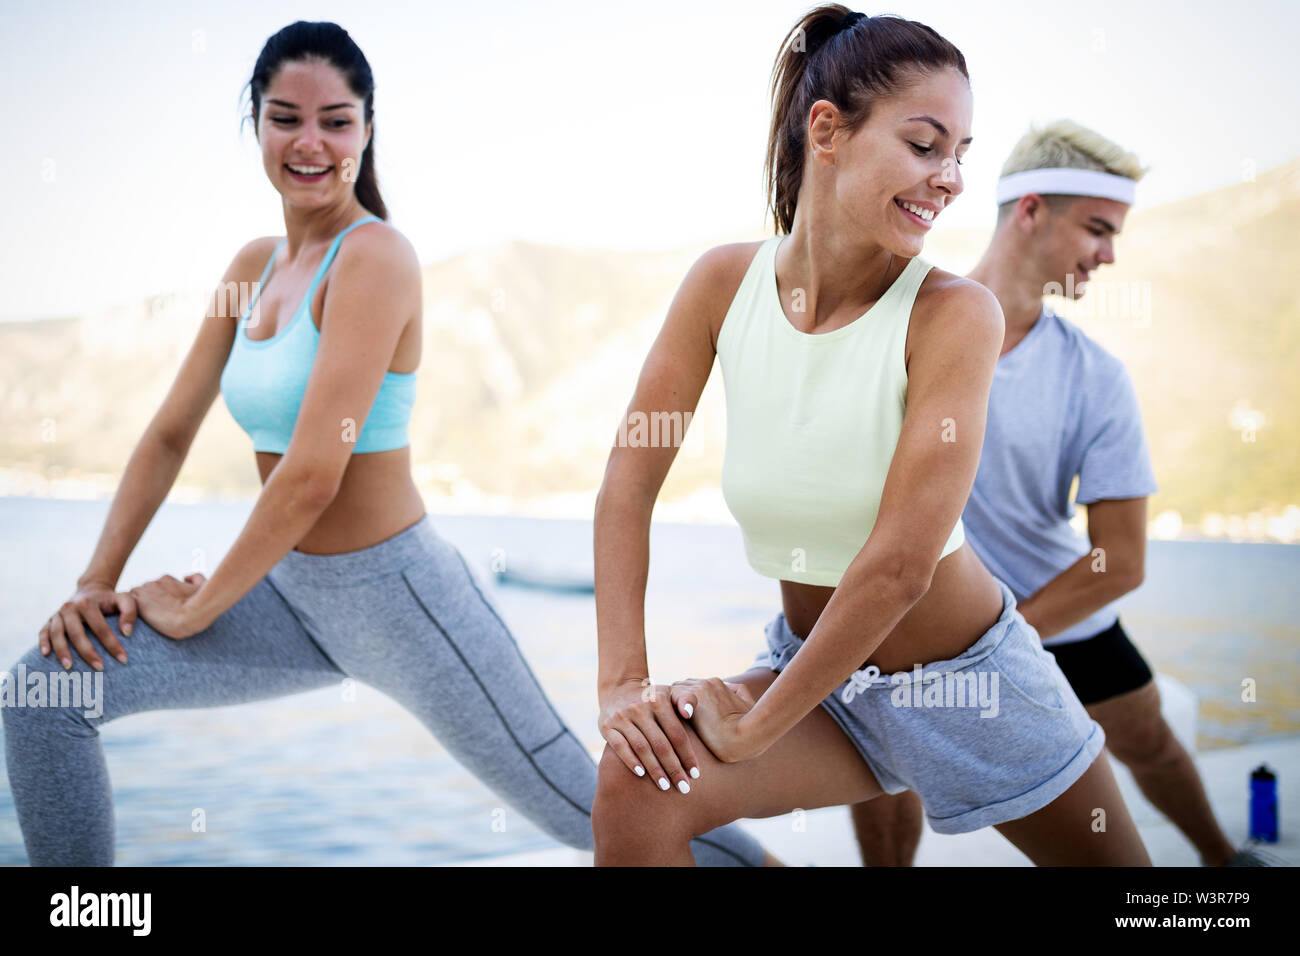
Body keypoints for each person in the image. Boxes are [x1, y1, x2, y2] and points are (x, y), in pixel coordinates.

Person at [2, 20, 770, 868]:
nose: (310, 141)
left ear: (367, 130)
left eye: (336, 119)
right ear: (253, 122)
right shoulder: (249, 268)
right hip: (284, 593)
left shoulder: (376, 259)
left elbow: (311, 479)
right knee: (44, 692)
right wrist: (94, 583)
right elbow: (167, 433)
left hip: (398, 598)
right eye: (285, 116)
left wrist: (197, 604)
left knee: (583, 808)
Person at [590, 6, 1151, 866]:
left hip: (976, 689)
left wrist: (753, 727)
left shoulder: (957, 314)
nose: (952, 177)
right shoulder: (720, 285)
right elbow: (628, 488)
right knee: (636, 786)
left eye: (961, 154)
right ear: (827, 130)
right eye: (926, 146)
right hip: (824, 681)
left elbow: (898, 566)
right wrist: (623, 682)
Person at [848, 119, 1278, 867]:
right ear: (1031, 209)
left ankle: (1226, 863)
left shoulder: (1096, 377)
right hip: (917, 616)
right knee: (882, 762)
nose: (1110, 256)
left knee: (1146, 736)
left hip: (1055, 616)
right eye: (1099, 229)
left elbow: (1124, 559)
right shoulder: (898, 324)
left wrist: (1002, 641)